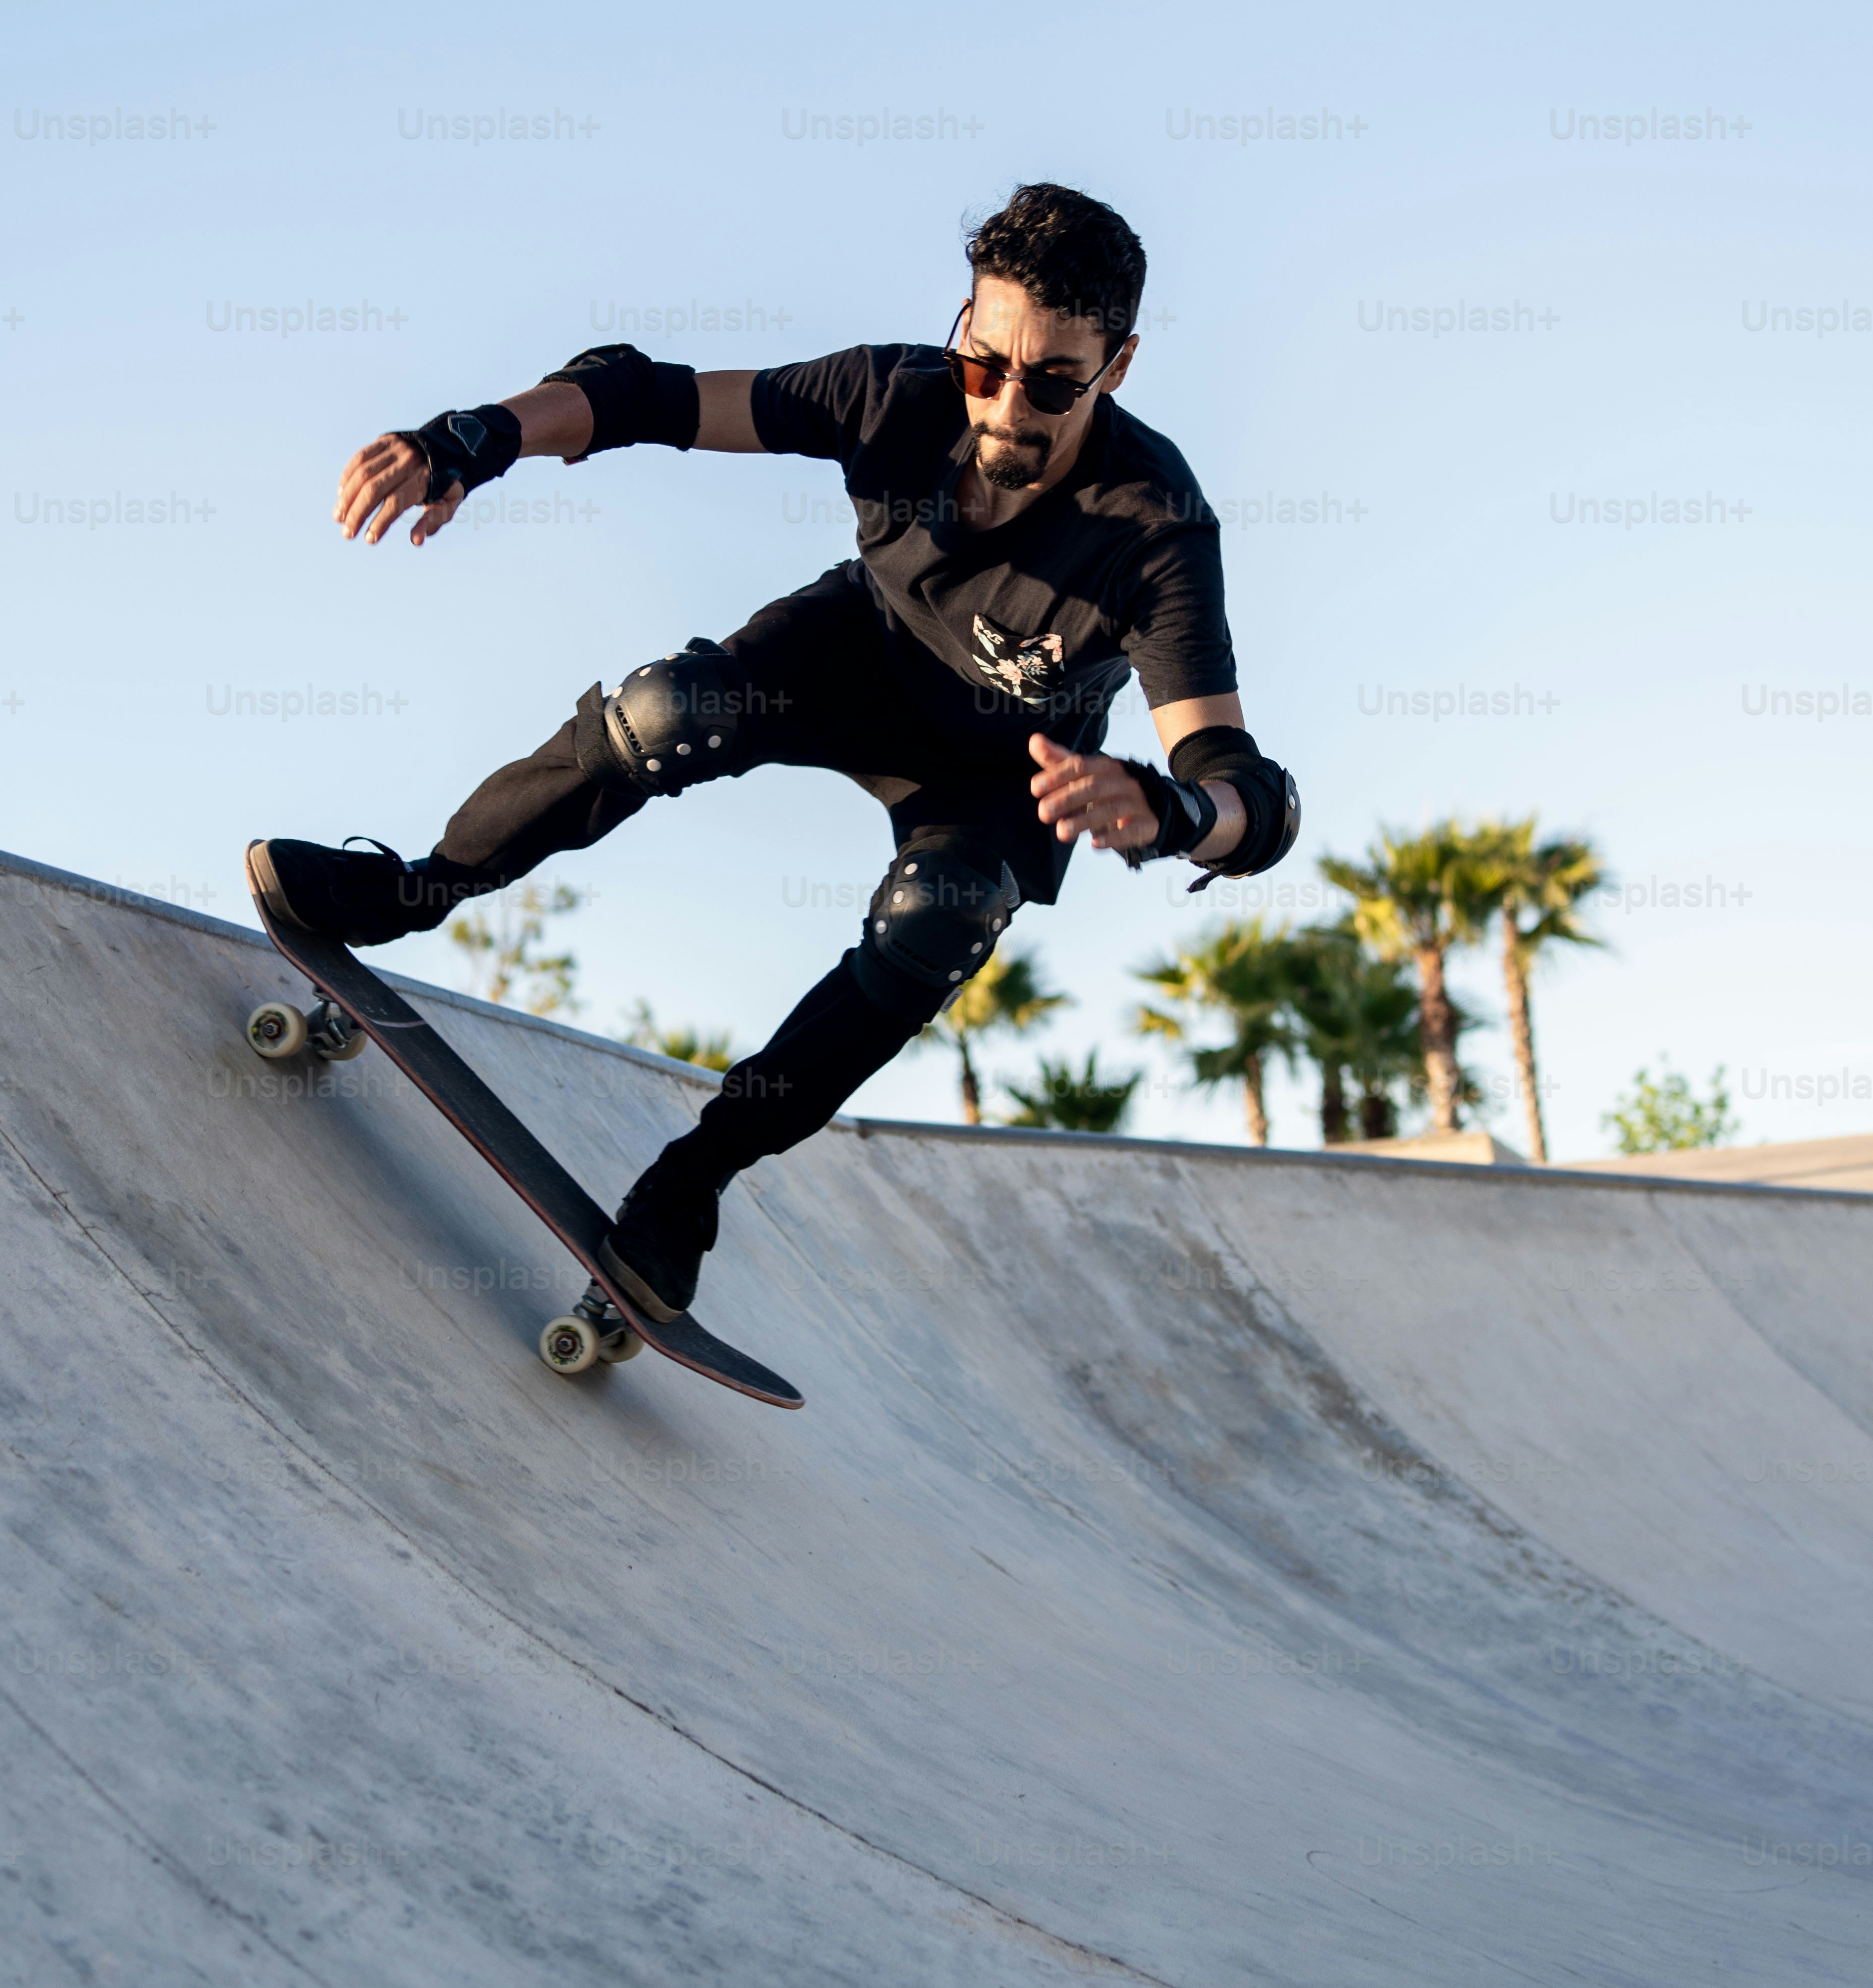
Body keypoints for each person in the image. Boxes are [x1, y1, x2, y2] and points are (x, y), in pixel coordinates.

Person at [247, 185, 1298, 1324]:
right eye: (983, 364)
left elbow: (1246, 790)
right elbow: (643, 397)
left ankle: (692, 1182)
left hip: (1002, 769)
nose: (1004, 408)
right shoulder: (892, 394)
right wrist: (475, 438)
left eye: (1051, 384)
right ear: (960, 327)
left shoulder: (1154, 527)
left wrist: (1176, 814)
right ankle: (409, 892)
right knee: (668, 712)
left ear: (1117, 367)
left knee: (939, 919)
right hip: (854, 655)